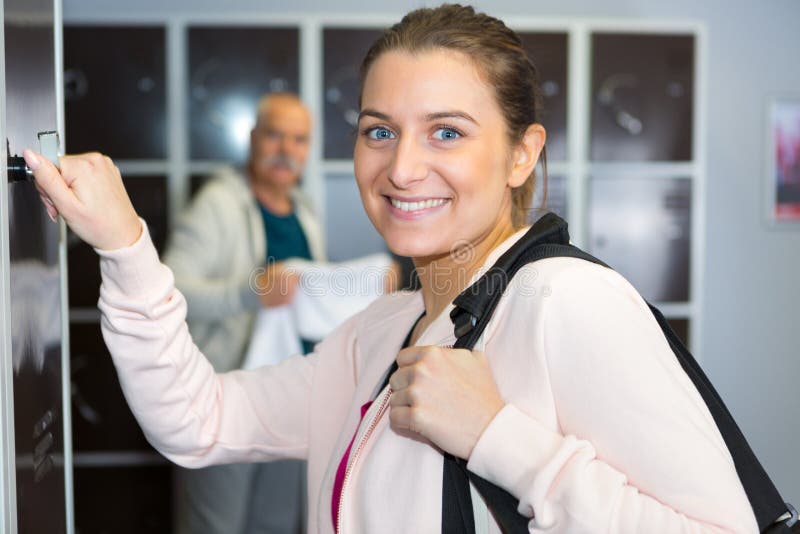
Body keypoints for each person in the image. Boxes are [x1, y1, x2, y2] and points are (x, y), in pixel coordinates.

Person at [28, 4, 758, 532]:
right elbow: (198, 421)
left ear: (521, 154)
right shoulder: (379, 332)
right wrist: (125, 246)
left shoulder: (569, 302)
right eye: (380, 130)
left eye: (447, 131)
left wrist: (498, 437)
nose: (402, 168)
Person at [163, 92, 319, 534]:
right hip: (225, 401)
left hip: (290, 400)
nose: (287, 150)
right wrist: (250, 291)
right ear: (252, 140)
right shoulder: (217, 204)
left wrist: (363, 288)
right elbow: (170, 290)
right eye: (275, 135)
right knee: (216, 525)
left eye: (299, 140)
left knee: (274, 523)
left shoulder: (305, 212)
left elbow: (307, 297)